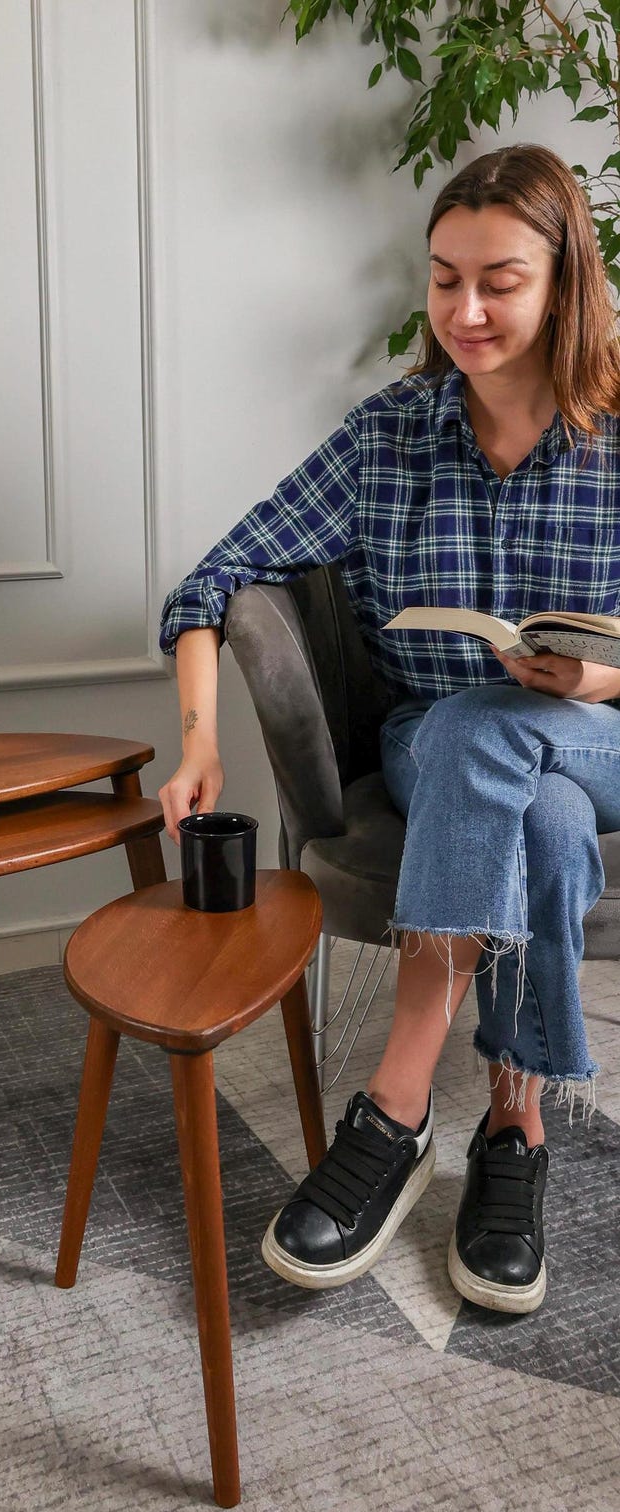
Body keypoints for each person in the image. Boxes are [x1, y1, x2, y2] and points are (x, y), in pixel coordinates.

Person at [157, 144, 620, 1316]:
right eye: (443, 277)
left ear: (567, 282)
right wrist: (199, 739)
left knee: (528, 757)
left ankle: (398, 1110)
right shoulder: (391, 434)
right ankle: (514, 1126)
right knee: (519, 788)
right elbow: (215, 578)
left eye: (501, 280)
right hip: (437, 737)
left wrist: (599, 684)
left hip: (604, 739)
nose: (465, 309)